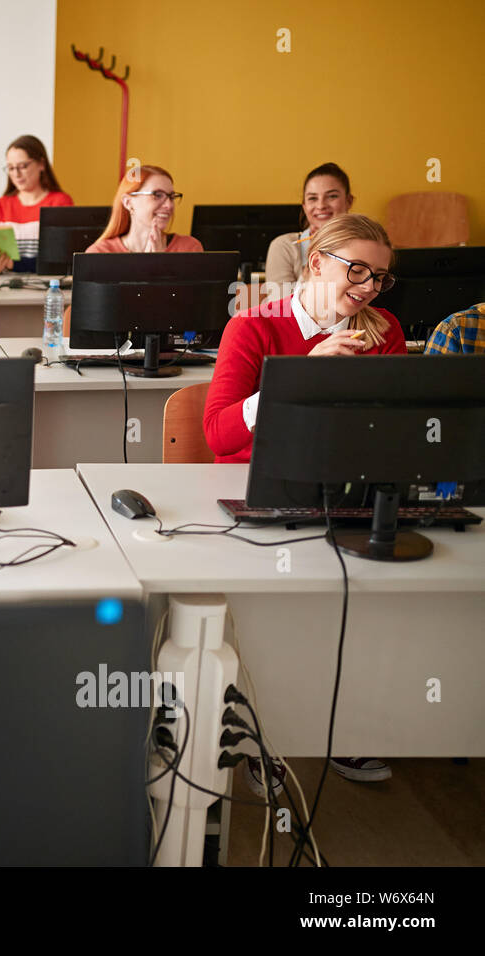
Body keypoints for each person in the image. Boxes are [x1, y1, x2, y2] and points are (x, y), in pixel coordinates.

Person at [206, 213, 407, 793]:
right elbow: (219, 433)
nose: (369, 287)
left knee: (377, 594)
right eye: (358, 271)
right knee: (275, 611)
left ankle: (345, 722)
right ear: (317, 262)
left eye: (380, 278)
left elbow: (395, 427)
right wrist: (298, 377)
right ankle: (259, 734)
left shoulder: (383, 329)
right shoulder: (253, 327)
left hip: (348, 488)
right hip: (262, 490)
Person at [0, 134, 73, 274]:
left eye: (23, 166)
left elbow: (60, 260)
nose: (16, 174)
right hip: (5, 287)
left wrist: (15, 264)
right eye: (11, 168)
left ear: (41, 164)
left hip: (47, 287)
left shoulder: (60, 202)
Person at [265, 163, 354, 293]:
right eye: (312, 198)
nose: (321, 205)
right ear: (304, 206)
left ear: (349, 201)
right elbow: (281, 307)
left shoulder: (366, 246)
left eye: (332, 196)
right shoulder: (284, 246)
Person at [86, 164, 202, 255]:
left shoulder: (188, 248)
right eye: (157, 195)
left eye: (171, 197)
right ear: (128, 202)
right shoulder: (99, 253)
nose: (169, 205)